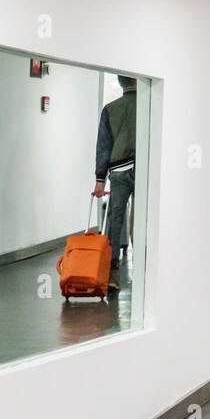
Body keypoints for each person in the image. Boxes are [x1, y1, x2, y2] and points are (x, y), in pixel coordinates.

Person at [92, 75, 137, 292]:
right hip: (143, 168)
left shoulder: (110, 109)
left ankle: (113, 272)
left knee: (115, 218)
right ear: (136, 81)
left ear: (120, 84)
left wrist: (100, 179)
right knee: (143, 218)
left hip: (118, 171)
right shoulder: (148, 106)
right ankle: (146, 267)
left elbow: (103, 145)